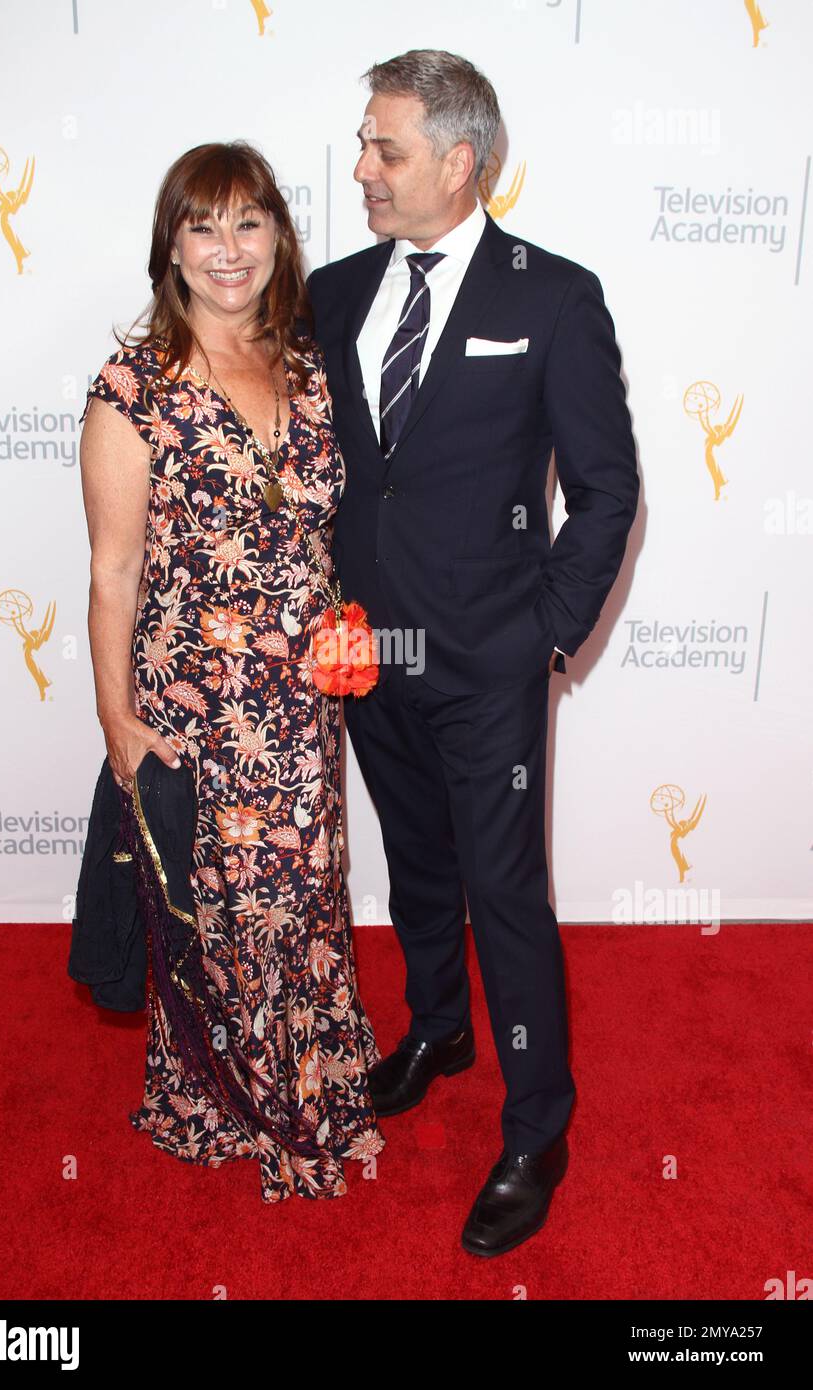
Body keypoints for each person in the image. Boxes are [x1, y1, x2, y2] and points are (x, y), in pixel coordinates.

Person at [307, 50, 639, 1254]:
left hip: (491, 660)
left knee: (506, 895)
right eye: (362, 144)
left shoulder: (551, 297)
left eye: (385, 149)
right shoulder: (335, 294)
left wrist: (544, 632)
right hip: (368, 651)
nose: (361, 170)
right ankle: (440, 1029)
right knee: (416, 867)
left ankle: (535, 1126)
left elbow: (607, 492)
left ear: (459, 160)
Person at [78, 141, 384, 1203]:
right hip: (199, 706)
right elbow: (114, 571)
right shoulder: (133, 389)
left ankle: (319, 1065)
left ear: (279, 237)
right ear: (169, 245)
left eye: (248, 222)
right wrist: (117, 717)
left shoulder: (309, 365)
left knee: (305, 897)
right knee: (230, 905)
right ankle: (249, 1105)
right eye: (202, 225)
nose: (227, 249)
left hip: (304, 702)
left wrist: (346, 623)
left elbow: (326, 531)